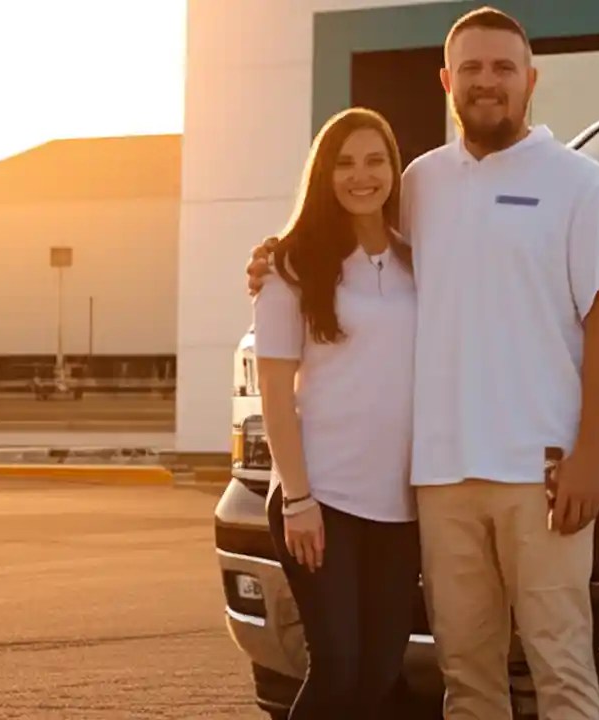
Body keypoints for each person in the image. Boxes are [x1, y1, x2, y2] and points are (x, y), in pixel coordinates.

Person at [248, 7, 599, 719]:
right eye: (473, 68)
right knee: (468, 678)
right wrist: (278, 256)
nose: (488, 82)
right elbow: (350, 239)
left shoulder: (579, 181)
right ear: (446, 80)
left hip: (540, 477)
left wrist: (591, 455)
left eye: (504, 68)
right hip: (438, 482)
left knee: (562, 668)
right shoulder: (421, 181)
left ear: (531, 79)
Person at [252, 106, 419, 720]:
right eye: (344, 163)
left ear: (394, 170)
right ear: (324, 175)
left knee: (379, 675)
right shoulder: (290, 266)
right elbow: (273, 389)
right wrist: (298, 498)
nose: (361, 175)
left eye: (375, 160)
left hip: (400, 505)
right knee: (338, 671)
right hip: (321, 499)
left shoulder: (416, 262)